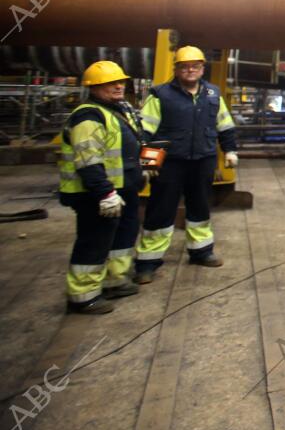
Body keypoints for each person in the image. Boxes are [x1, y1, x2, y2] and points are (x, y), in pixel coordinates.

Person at [134, 46, 238, 281]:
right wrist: (148, 164)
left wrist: (230, 150)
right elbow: (146, 132)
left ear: (202, 69)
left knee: (200, 207)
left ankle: (201, 252)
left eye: (195, 66)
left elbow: (225, 124)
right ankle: (147, 263)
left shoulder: (212, 93)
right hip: (171, 163)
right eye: (184, 66)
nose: (190, 70)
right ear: (177, 69)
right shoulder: (160, 95)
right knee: (161, 209)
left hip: (203, 160)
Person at [58, 61, 146, 313]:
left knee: (123, 234)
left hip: (123, 189)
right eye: (109, 83)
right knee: (93, 241)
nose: (118, 86)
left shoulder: (118, 110)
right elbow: (88, 161)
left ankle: (114, 280)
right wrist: (105, 194)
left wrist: (143, 169)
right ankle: (83, 296)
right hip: (95, 194)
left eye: (120, 81)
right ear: (93, 87)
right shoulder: (88, 116)